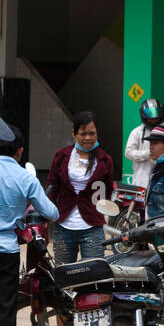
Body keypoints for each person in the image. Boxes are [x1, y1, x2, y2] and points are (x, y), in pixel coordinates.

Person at [0, 126, 58, 326]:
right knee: (6, 310)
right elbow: (51, 213)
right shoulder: (25, 177)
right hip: (8, 250)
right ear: (20, 151)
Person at [45, 111, 115, 265]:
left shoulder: (105, 160)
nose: (88, 138)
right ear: (74, 133)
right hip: (63, 226)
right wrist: (47, 213)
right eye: (83, 133)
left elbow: (106, 193)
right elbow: (52, 187)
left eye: (92, 133)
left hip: (92, 228)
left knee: (94, 274)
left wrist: (99, 211)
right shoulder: (61, 156)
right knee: (63, 274)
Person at [124, 97, 164, 188]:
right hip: (141, 180)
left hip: (161, 179)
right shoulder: (137, 132)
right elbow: (128, 153)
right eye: (150, 118)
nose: (153, 121)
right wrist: (147, 154)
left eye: (156, 118)